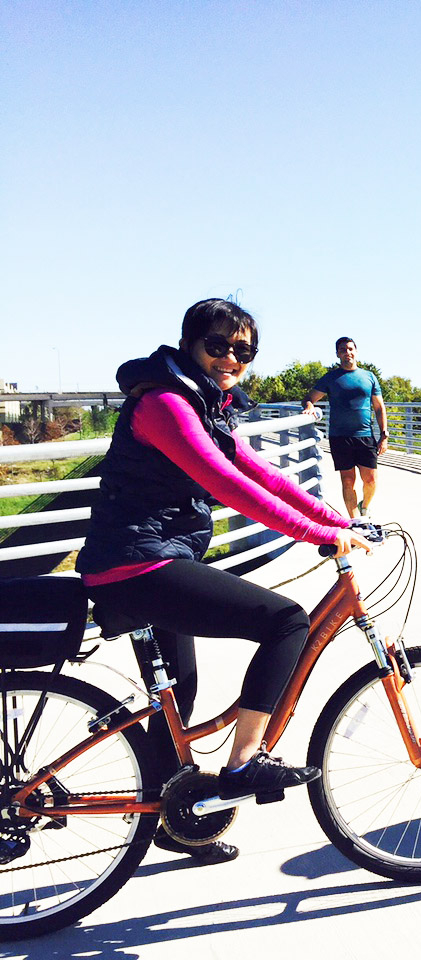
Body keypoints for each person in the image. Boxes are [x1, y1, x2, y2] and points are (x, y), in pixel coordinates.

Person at [76, 299, 373, 865]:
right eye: (217, 345)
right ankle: (243, 765)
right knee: (286, 621)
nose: (230, 358)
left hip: (148, 560)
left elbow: (263, 475)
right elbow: (225, 484)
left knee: (178, 694)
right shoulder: (165, 404)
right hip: (136, 564)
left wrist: (341, 521)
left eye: (244, 350)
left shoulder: (204, 404)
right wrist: (314, 534)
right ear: (189, 344)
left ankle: (173, 822)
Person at [303, 337, 387, 518]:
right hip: (340, 437)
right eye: (343, 350)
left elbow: (379, 407)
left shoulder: (369, 377)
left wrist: (384, 435)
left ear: (356, 351)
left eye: (350, 349)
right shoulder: (331, 378)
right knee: (348, 481)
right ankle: (356, 522)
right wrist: (309, 406)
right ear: (337, 354)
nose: (347, 353)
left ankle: (365, 507)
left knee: (371, 480)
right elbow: (309, 398)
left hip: (365, 435)